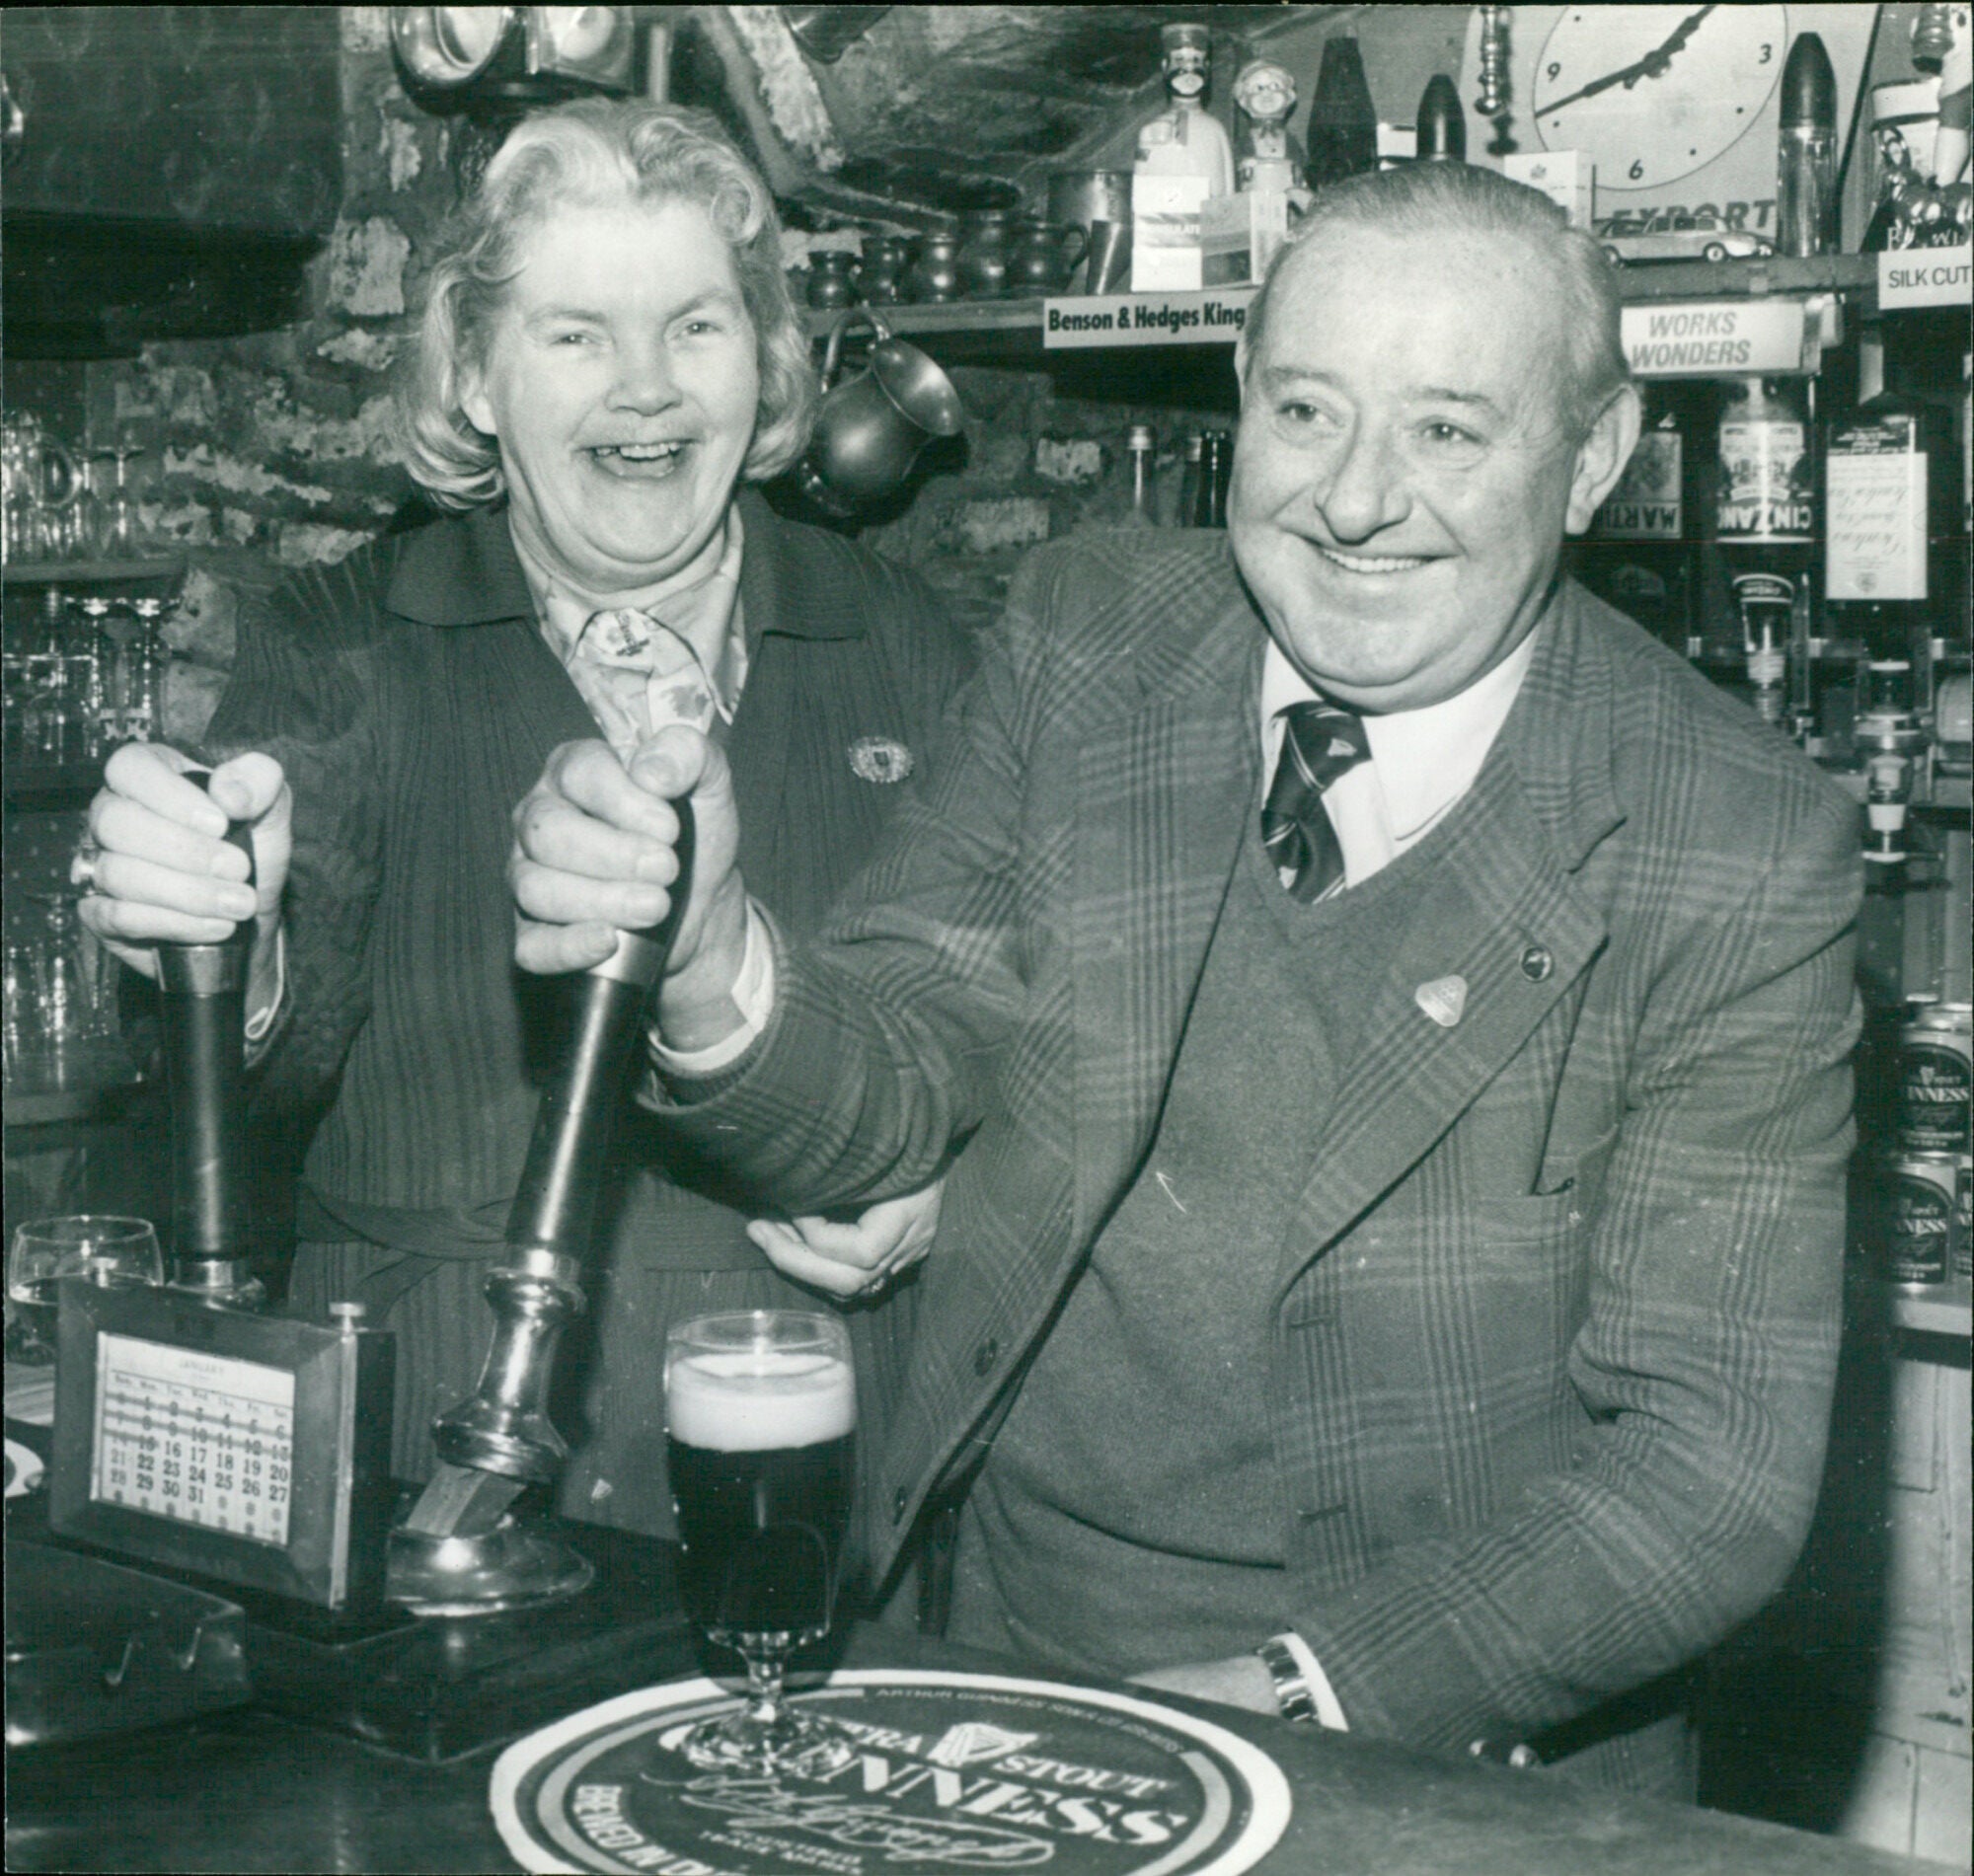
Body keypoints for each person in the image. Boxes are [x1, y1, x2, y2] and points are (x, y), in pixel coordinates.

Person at [510, 163, 1862, 1793]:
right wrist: (717, 951)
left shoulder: (1729, 834)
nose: (1357, 501)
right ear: (1242, 397)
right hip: (998, 1665)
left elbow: (1704, 1475)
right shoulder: (1097, 634)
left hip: (1436, 1747)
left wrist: (1285, 1697)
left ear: (1594, 459)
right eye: (1308, 412)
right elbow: (898, 1058)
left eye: (1447, 430)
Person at [73, 99, 970, 1539]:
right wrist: (218, 942)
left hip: (802, 1465)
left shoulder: (901, 638)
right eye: (574, 335)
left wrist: (957, 1189)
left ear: (765, 361)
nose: (646, 391)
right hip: (419, 1466)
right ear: (477, 378)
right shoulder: (340, 635)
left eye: (697, 327)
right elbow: (251, 1089)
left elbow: (1018, 1015)